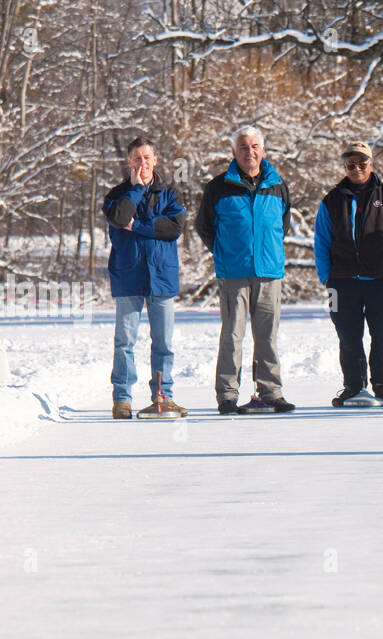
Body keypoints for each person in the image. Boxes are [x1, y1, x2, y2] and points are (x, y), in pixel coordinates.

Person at [195, 125, 295, 414]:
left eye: (254, 146)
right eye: (243, 147)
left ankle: (271, 392)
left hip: (268, 272)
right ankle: (227, 395)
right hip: (233, 273)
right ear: (234, 151)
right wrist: (227, 252)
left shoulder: (278, 185)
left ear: (263, 150)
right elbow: (204, 227)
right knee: (232, 335)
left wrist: (266, 249)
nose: (249, 152)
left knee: (268, 336)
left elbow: (282, 225)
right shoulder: (218, 187)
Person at [313, 141, 383, 407]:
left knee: (382, 334)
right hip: (341, 282)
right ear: (345, 167)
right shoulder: (332, 200)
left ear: (371, 164)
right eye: (351, 164)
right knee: (347, 335)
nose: (356, 168)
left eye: (362, 163)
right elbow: (321, 241)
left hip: (381, 281)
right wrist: (326, 277)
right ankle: (353, 386)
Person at [102, 135, 188, 419]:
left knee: (163, 342)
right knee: (125, 341)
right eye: (137, 158)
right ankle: (122, 399)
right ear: (129, 162)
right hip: (128, 275)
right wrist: (136, 190)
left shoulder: (170, 193)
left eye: (147, 158)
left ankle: (163, 395)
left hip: (161, 276)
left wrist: (137, 225)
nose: (143, 163)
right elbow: (118, 218)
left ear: (156, 160)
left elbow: (174, 227)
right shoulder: (117, 196)